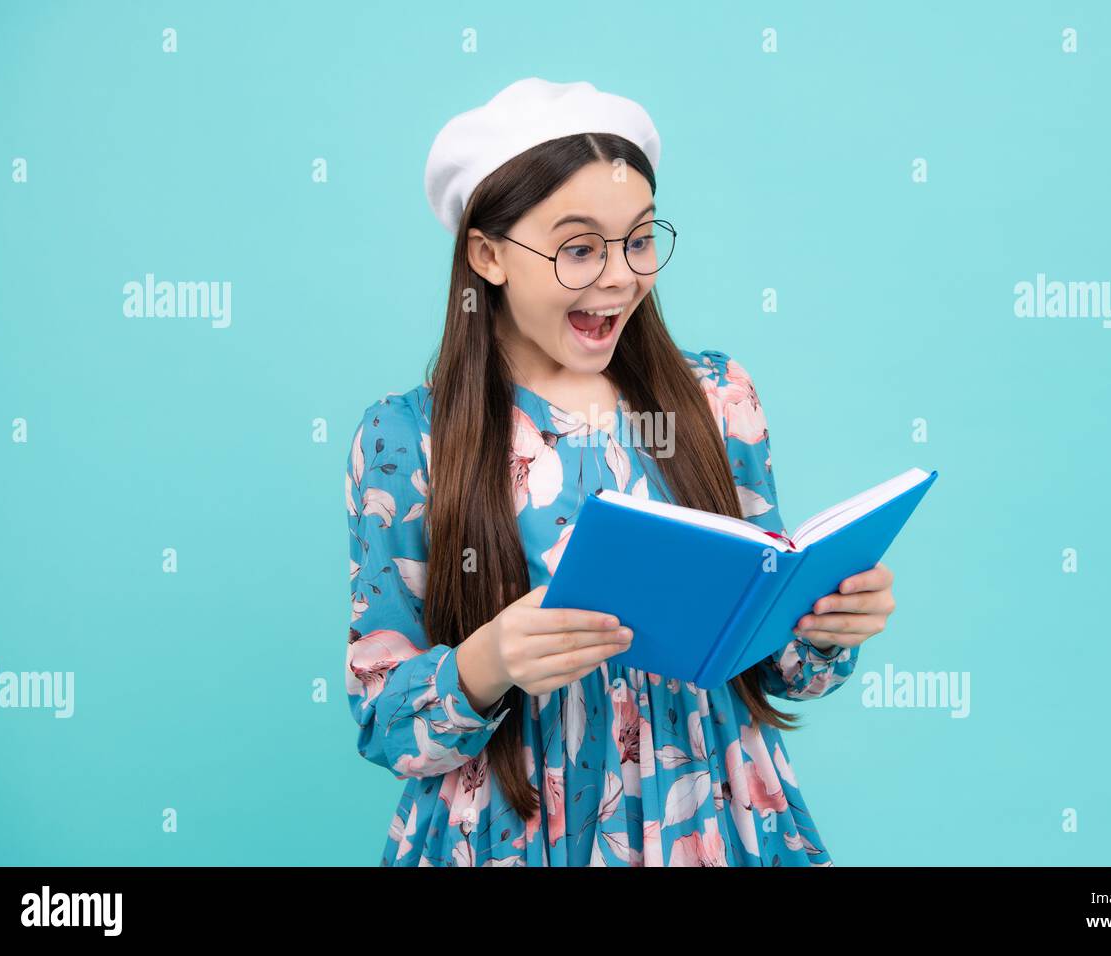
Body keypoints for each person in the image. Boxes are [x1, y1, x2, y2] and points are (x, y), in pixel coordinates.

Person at [344, 77, 897, 866]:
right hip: (517, 830)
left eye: (639, 240)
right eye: (578, 249)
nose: (618, 276)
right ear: (488, 254)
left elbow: (780, 670)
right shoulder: (407, 441)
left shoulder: (715, 398)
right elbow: (383, 721)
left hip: (712, 816)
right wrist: (490, 658)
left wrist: (824, 626)